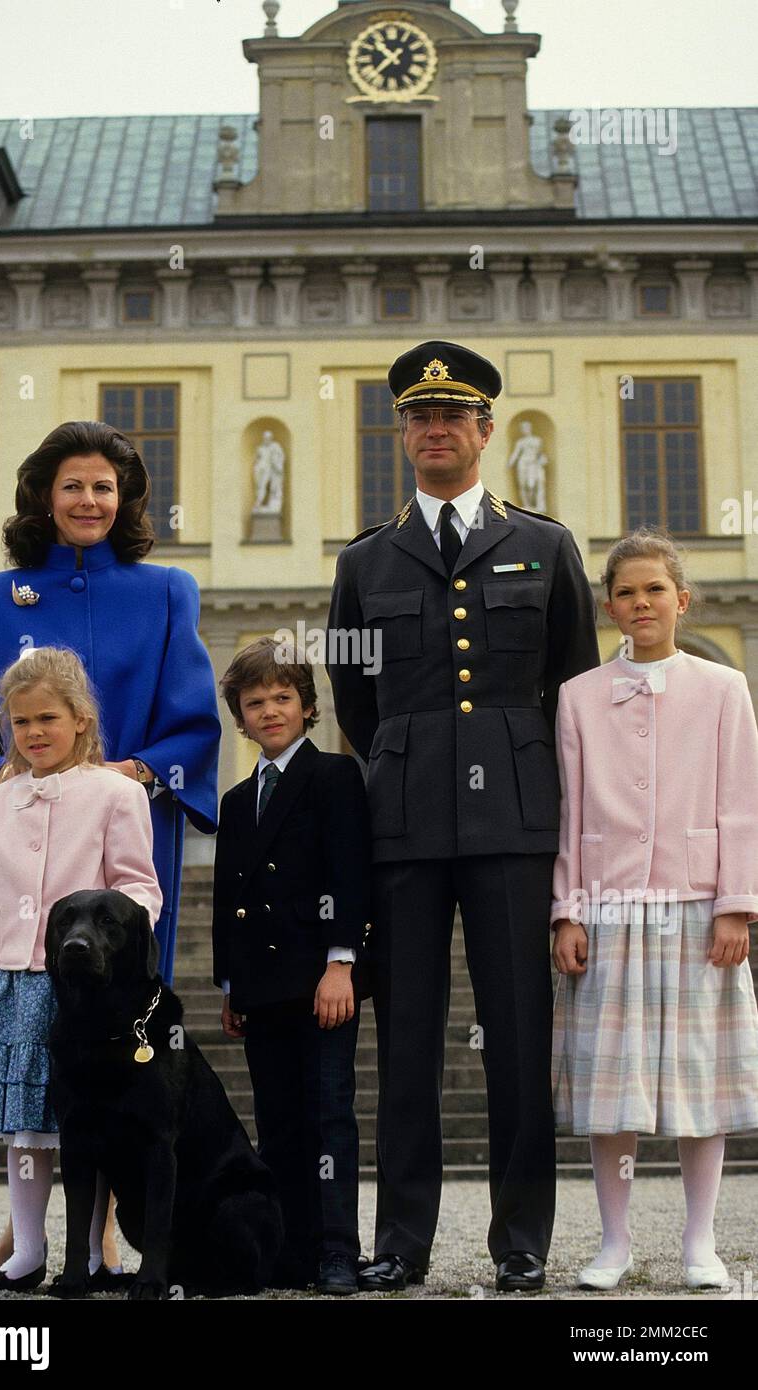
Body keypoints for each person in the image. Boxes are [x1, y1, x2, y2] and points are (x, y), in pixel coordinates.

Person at [327, 340, 600, 1293]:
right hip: (403, 828)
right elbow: (354, 699)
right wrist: (407, 765)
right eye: (419, 417)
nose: (435, 430)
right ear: (402, 434)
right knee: (406, 1041)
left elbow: (571, 687)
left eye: (452, 416)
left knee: (518, 1037)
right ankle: (401, 1242)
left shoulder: (547, 546)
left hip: (516, 826)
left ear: (487, 431)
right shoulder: (364, 561)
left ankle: (521, 1241)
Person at [0, 419, 220, 1281]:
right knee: (31, 1059)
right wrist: (21, 788)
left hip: (127, 825)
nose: (90, 500)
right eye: (73, 485)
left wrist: (132, 772)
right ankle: (33, 1238)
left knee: (113, 1046)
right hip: (27, 844)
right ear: (44, 495)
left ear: (124, 497)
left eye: (105, 486)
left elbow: (194, 723)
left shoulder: (168, 590)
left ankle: (95, 1234)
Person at [551, 529, 758, 1291]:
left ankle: (701, 1243)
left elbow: (741, 802)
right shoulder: (578, 696)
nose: (642, 603)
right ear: (609, 607)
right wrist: (567, 910)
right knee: (614, 1092)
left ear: (682, 599)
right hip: (608, 908)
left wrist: (736, 905)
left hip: (698, 908)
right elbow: (570, 810)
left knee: (702, 1085)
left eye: (655, 590)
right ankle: (615, 1242)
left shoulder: (724, 688)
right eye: (627, 593)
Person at [0, 646, 163, 1291]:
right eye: (21, 722)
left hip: (88, 993)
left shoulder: (119, 794)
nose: (34, 732)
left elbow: (140, 887)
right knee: (24, 1130)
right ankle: (28, 1253)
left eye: (48, 718)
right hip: (11, 985)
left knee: (90, 1124)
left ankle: (90, 1254)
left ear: (81, 719)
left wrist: (103, 939)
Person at [212, 637, 372, 1295]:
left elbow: (350, 876)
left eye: (283, 697)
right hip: (261, 985)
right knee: (276, 1119)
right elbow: (229, 896)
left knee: (328, 1115)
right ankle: (290, 1251)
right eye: (255, 703)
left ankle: (337, 1251)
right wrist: (230, 984)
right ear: (240, 718)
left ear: (307, 706)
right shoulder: (235, 801)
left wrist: (342, 964)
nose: (270, 711)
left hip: (320, 981)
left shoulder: (334, 776)